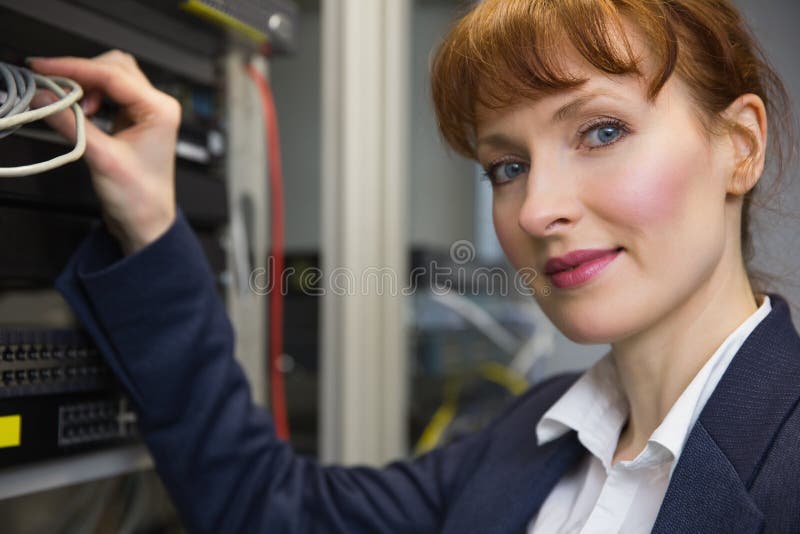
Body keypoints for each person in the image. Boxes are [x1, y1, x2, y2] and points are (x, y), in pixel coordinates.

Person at [27, 0, 799, 532]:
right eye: (506, 166)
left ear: (739, 146)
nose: (536, 211)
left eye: (599, 131)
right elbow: (268, 509)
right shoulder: (538, 435)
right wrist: (155, 224)